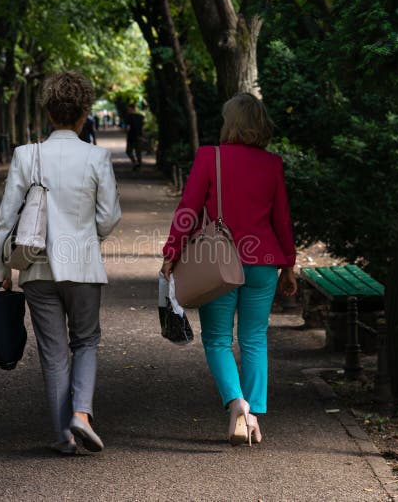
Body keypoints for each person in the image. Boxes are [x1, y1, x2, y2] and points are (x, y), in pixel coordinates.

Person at [0, 71, 121, 455]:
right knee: (86, 341)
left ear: (48, 114)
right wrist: (87, 237)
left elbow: (5, 219)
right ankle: (81, 413)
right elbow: (110, 216)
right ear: (84, 115)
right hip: (82, 266)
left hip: (36, 268)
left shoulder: (26, 155)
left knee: (52, 351)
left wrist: (2, 273)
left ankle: (63, 436)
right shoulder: (97, 157)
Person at [160, 92, 297, 447]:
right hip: (263, 264)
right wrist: (289, 265)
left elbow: (188, 210)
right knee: (254, 338)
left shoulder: (211, 157)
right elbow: (281, 219)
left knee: (218, 339)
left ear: (230, 123)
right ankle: (254, 414)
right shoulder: (272, 164)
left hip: (218, 264)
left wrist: (172, 252)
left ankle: (238, 406)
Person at [125, 104, 144, 170]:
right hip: (139, 136)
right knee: (138, 152)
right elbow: (142, 127)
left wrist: (127, 133)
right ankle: (139, 165)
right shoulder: (140, 117)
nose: (128, 111)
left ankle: (135, 162)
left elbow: (128, 128)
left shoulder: (129, 117)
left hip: (131, 137)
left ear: (132, 109)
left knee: (128, 151)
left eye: (128, 109)